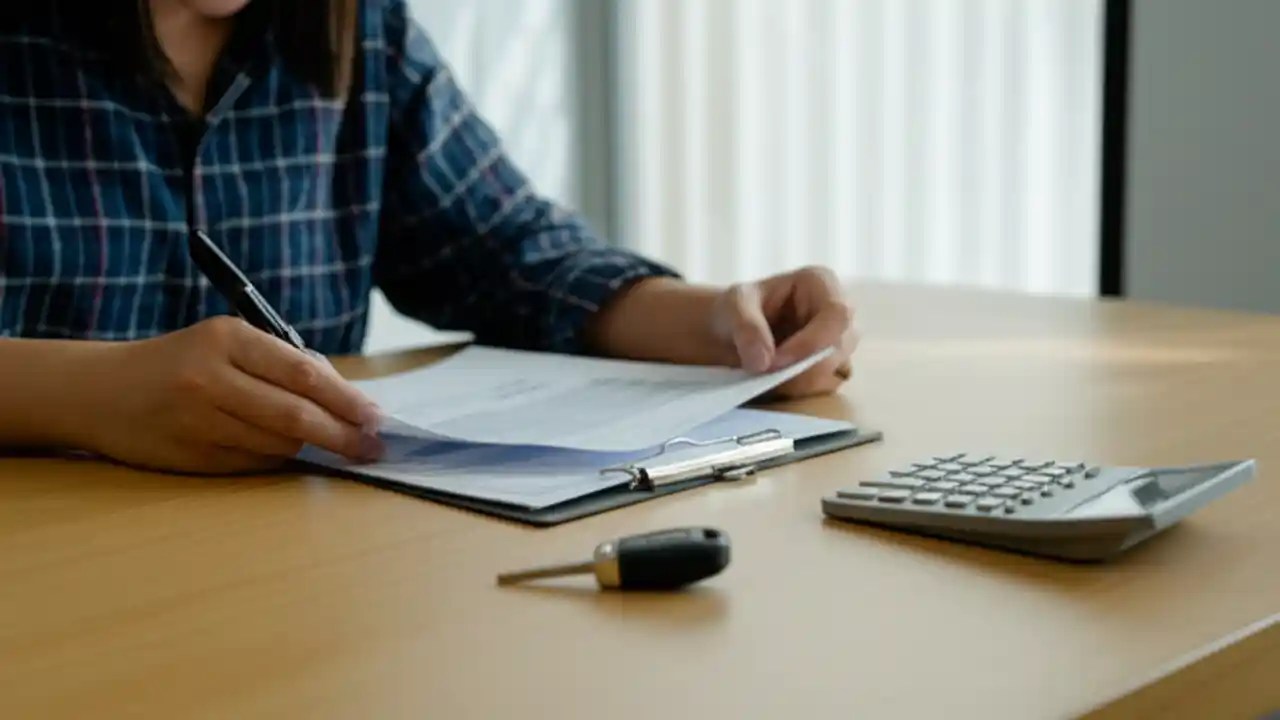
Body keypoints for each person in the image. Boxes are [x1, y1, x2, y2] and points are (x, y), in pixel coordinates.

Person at [0, 0, 857, 474]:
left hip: (290, 577)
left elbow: (508, 252)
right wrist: (88, 392)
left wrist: (721, 328)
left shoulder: (358, 31)